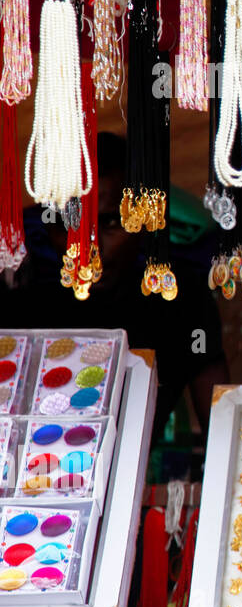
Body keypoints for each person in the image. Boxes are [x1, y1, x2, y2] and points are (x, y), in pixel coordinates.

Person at [1, 132, 230, 447]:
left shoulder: (183, 302)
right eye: (72, 224)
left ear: (143, 222)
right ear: (50, 226)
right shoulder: (19, 299)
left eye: (110, 223)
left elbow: (222, 431)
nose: (89, 249)